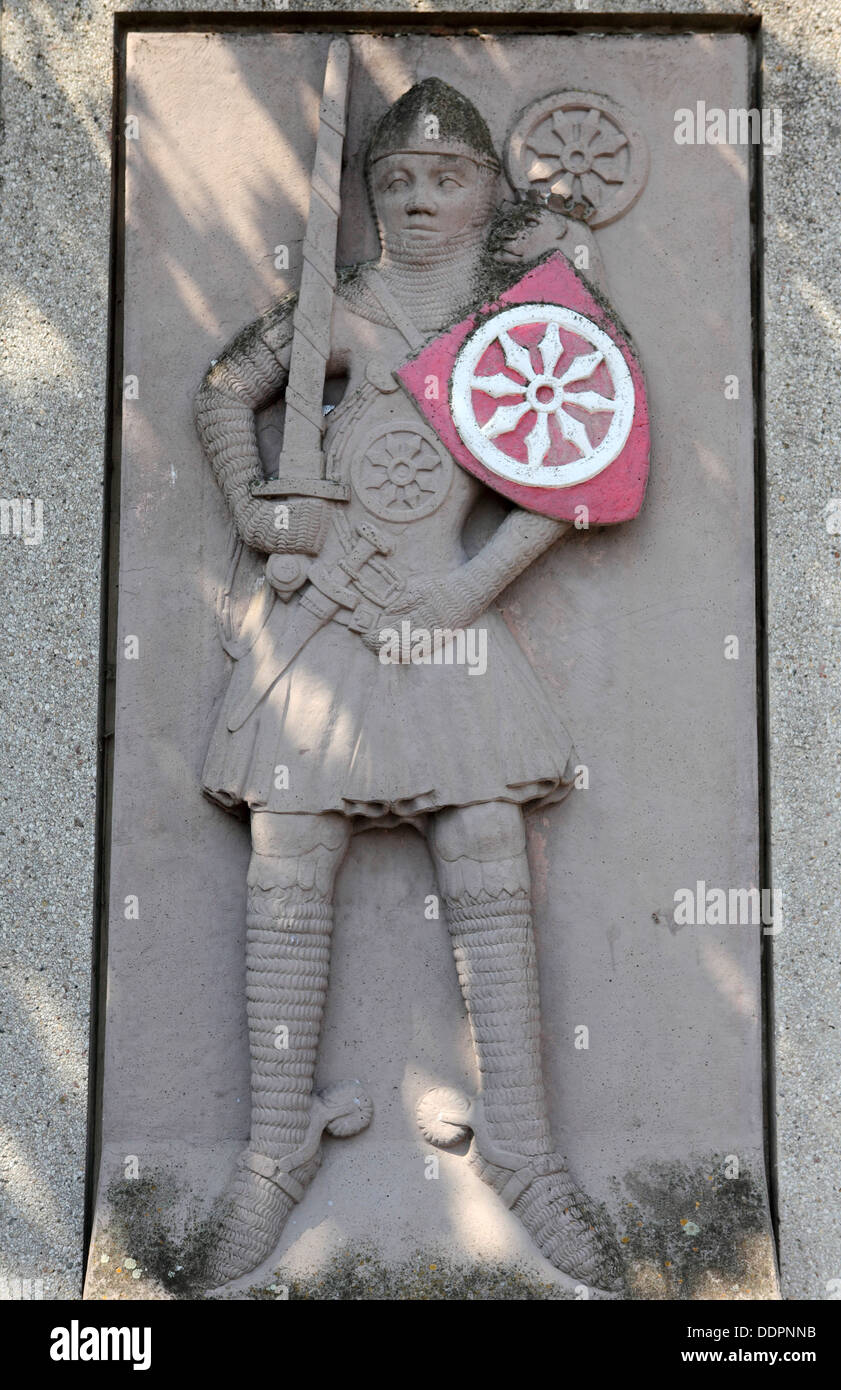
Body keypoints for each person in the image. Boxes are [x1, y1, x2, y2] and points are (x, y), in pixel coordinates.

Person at [195, 78, 620, 1291]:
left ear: (489, 188)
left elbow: (575, 461)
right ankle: (274, 1148)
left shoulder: (520, 315)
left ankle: (527, 1151)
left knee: (484, 840)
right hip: (323, 619)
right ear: (369, 196)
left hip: (442, 616)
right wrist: (262, 509)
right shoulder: (345, 305)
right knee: (288, 848)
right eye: (393, 180)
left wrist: (466, 592)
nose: (418, 198)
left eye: (445, 177)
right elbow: (229, 389)